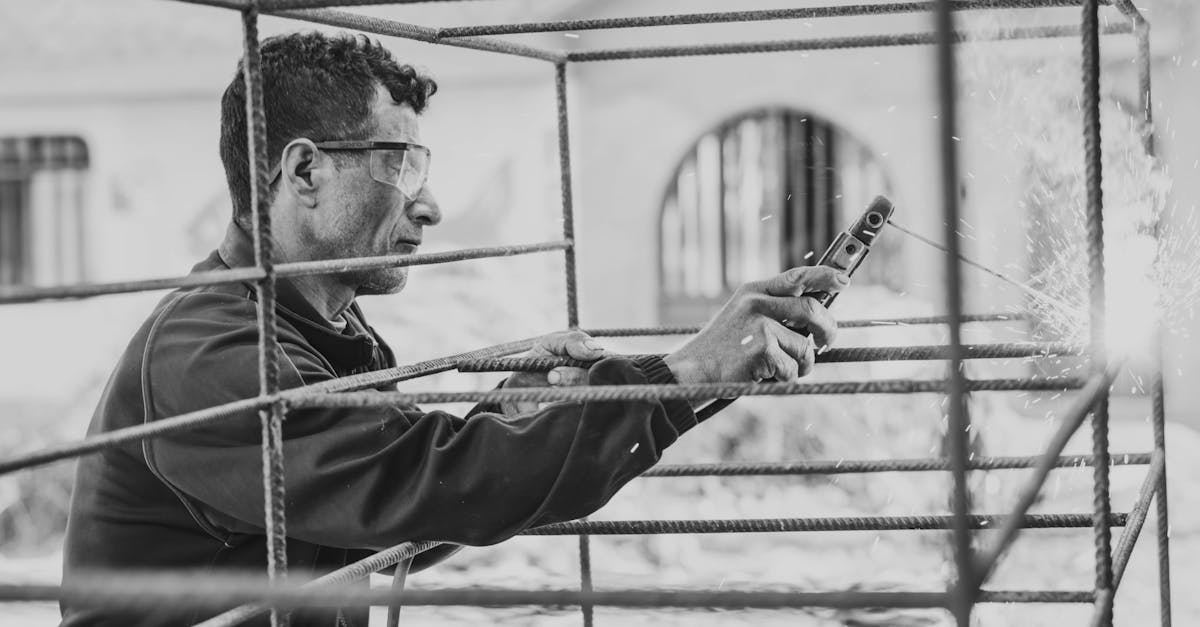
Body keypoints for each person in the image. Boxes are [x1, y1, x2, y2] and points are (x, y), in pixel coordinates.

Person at [60, 32, 846, 627]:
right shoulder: (207, 351)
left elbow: (402, 507)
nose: (429, 206)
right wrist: (688, 370)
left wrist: (518, 406)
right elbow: (421, 486)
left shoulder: (325, 330)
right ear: (304, 173)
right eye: (399, 164)